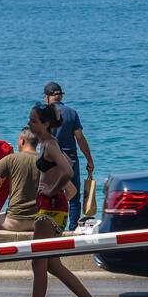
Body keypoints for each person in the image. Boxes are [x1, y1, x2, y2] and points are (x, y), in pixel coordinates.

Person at [4, 104, 111, 297]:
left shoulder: (50, 145)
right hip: (51, 209)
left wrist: (52, 191)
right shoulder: (46, 145)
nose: (30, 123)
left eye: (33, 120)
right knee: (52, 264)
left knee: (38, 264)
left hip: (50, 211)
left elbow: (68, 172)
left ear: (45, 124)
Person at [43, 82, 95, 230]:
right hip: (70, 160)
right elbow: (79, 137)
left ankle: (50, 227)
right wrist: (90, 160)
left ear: (47, 97)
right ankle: (72, 229)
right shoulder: (71, 113)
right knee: (73, 197)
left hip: (50, 161)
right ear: (60, 96)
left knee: (49, 195)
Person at [0, 129, 41, 232]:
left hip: (15, 222)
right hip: (38, 222)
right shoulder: (44, 161)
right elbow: (71, 191)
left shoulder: (11, 159)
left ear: (22, 141)